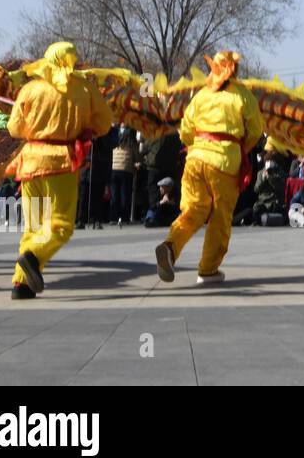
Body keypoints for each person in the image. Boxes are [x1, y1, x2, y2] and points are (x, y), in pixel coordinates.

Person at [5, 41, 113, 299]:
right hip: (61, 162)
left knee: (33, 227)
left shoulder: (30, 89)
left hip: (30, 162)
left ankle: (21, 285)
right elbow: (105, 123)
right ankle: (33, 257)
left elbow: (14, 128)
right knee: (61, 225)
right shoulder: (85, 88)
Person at [154, 51, 264, 285]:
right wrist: (238, 147)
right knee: (220, 218)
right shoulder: (243, 96)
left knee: (193, 211)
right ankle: (208, 269)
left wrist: (198, 145)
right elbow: (255, 130)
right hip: (223, 161)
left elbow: (185, 130)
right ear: (234, 70)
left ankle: (170, 247)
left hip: (195, 160)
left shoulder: (201, 95)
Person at [109, 126, 141, 226]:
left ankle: (114, 217)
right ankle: (124, 218)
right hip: (126, 168)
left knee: (114, 195)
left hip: (114, 167)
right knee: (125, 195)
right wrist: (137, 161)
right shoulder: (131, 137)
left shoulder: (114, 135)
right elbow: (136, 153)